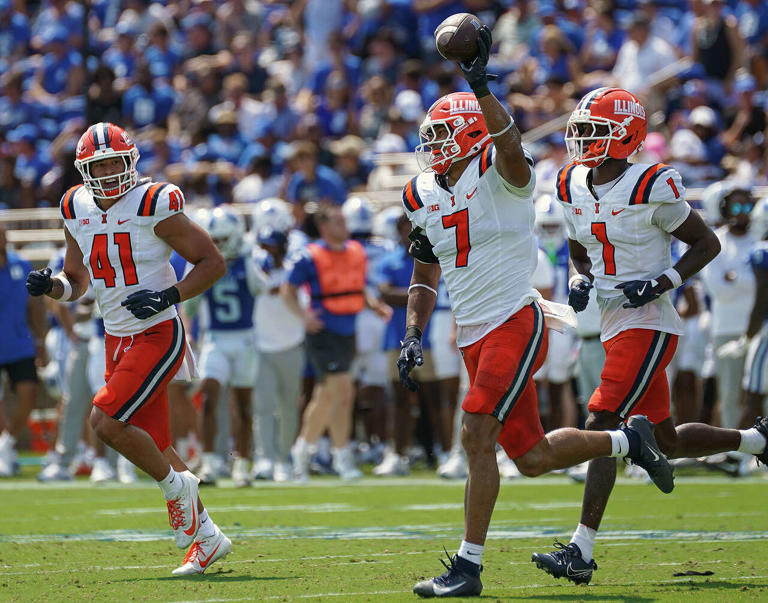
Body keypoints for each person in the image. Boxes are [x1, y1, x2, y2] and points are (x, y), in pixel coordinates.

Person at [398, 30, 675, 599]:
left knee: (476, 433)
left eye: (446, 135)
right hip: (471, 331)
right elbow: (423, 275)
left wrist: (479, 87)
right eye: (432, 138)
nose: (435, 147)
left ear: (473, 134)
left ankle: (468, 568)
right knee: (531, 456)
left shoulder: (503, 173)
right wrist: (412, 334)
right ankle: (629, 441)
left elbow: (507, 142)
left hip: (513, 320)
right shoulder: (421, 193)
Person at [531, 87, 768, 585]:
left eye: (594, 131)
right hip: (614, 318)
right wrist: (581, 277)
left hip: (651, 320)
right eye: (581, 132)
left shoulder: (651, 184)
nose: (582, 142)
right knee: (667, 439)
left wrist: (663, 281)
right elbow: (579, 246)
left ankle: (582, 549)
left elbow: (707, 242)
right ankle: (755, 439)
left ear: (626, 136)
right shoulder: (572, 181)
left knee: (602, 423)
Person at [25, 122, 231, 575]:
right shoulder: (75, 206)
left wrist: (169, 295)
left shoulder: (154, 202)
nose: (106, 172)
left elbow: (212, 262)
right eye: (97, 165)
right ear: (83, 170)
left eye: (113, 162)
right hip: (115, 335)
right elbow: (77, 281)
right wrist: (51, 287)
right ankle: (208, 538)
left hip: (158, 331)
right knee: (154, 442)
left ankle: (180, 491)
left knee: (104, 420)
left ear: (131, 162)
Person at [283, 205, 391, 481]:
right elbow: (288, 289)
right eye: (338, 221)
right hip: (323, 331)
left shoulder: (356, 252)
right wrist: (303, 317)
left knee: (329, 395)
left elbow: (359, 286)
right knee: (342, 389)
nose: (344, 226)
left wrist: (375, 306)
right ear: (324, 227)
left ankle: (303, 451)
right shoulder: (309, 256)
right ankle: (341, 457)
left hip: (348, 329)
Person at [184, 205, 266, 487]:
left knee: (243, 405)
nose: (217, 245)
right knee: (208, 397)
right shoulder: (203, 261)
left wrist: (250, 260)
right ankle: (209, 463)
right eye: (213, 240)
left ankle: (241, 465)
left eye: (221, 240)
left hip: (245, 339)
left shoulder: (248, 258)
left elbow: (261, 288)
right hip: (216, 339)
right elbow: (191, 304)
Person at [0, 223, 47, 477]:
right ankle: (4, 453)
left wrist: (39, 340)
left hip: (20, 343)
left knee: (28, 393)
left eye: (3, 234)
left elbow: (34, 306)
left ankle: (6, 442)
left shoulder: (21, 264)